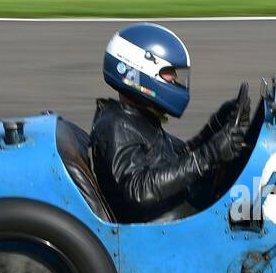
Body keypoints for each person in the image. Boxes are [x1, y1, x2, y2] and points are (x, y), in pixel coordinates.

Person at [90, 23, 250, 223]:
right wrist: (209, 154)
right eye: (168, 71)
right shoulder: (116, 127)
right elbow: (139, 189)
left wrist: (213, 130)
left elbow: (173, 160)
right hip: (163, 231)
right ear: (139, 71)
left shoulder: (135, 118)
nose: (174, 77)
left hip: (177, 214)